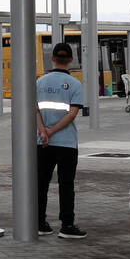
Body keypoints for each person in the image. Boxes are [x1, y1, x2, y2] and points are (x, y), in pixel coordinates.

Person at [35, 42, 86, 239]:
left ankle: (39, 222)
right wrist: (53, 130)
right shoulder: (75, 84)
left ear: (53, 58)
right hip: (66, 143)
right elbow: (72, 114)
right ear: (71, 60)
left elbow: (36, 110)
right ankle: (67, 225)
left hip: (43, 143)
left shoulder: (40, 82)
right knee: (66, 184)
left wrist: (43, 132)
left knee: (41, 184)